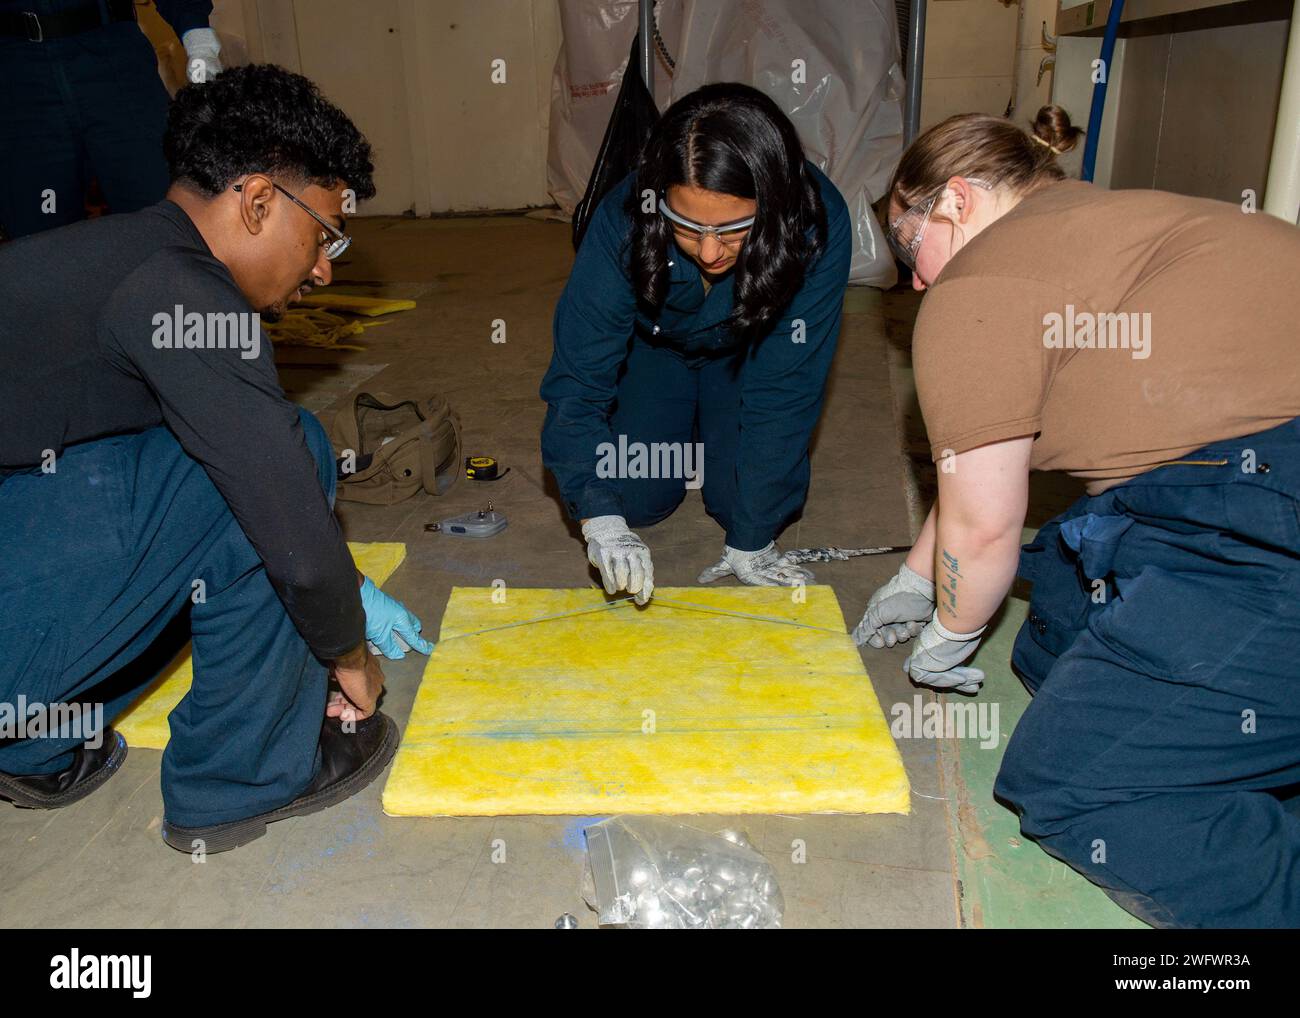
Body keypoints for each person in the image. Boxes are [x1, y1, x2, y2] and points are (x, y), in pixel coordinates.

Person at [854, 104, 1300, 927]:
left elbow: (986, 532)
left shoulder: (977, 284)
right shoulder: (1104, 222)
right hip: (1233, 481)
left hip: (1260, 515)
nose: (915, 282)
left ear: (956, 201)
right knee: (1059, 607)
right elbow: (980, 470)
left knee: (1071, 781)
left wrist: (948, 632)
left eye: (909, 249)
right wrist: (919, 579)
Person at [0, 65, 430, 855]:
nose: (325, 267)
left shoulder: (120, 259)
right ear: (260, 200)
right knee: (288, 456)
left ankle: (33, 740)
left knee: (213, 474)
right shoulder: (181, 293)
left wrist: (351, 584)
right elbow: (279, 508)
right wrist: (350, 653)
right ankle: (247, 778)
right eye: (326, 233)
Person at [540, 82, 852, 602]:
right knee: (633, 497)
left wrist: (751, 542)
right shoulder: (622, 218)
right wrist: (600, 516)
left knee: (745, 509)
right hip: (655, 351)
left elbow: (788, 388)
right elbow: (578, 380)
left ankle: (714, 440)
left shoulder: (815, 226)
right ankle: (681, 428)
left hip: (748, 354)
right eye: (685, 225)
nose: (709, 253)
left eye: (733, 229)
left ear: (772, 206)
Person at [0, 0, 223, 239]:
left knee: (164, 216)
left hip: (114, 56)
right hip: (18, 78)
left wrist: (198, 36)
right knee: (40, 237)